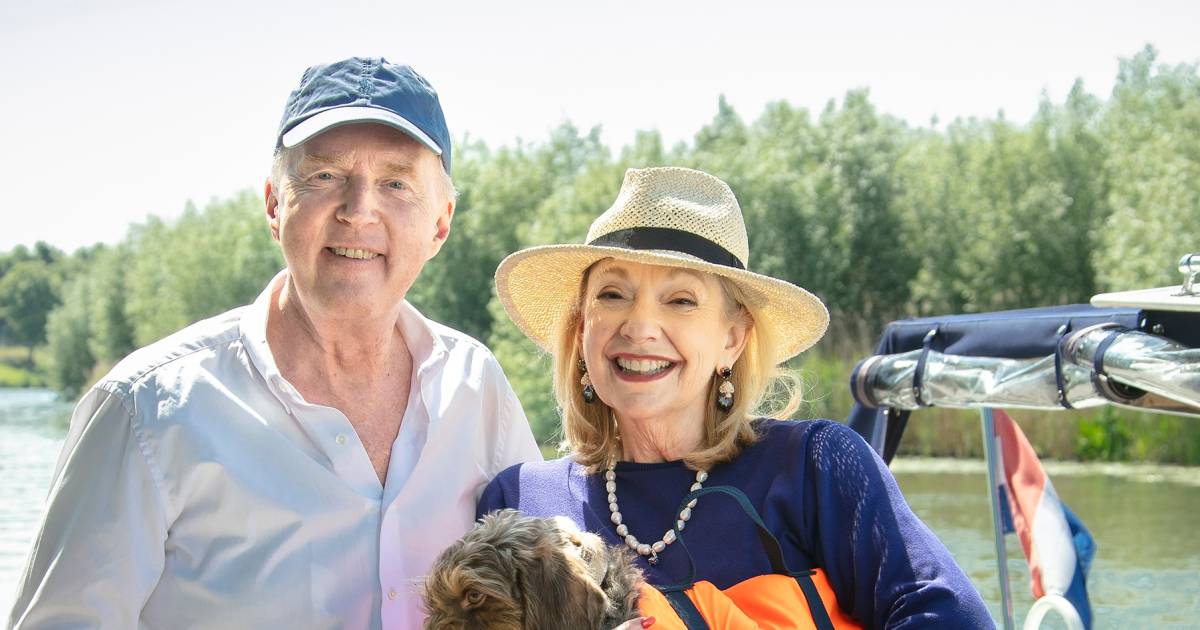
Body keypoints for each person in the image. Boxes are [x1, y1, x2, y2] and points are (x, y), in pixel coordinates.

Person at [7, 57, 541, 629]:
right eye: (324, 176)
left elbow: (547, 588)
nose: (359, 209)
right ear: (273, 204)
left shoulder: (476, 387)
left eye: (396, 183)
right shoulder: (143, 412)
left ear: (440, 223)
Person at [478, 167, 992, 627]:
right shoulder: (518, 506)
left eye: (681, 300)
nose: (639, 326)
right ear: (582, 327)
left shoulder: (815, 470)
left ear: (732, 339)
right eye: (612, 294)